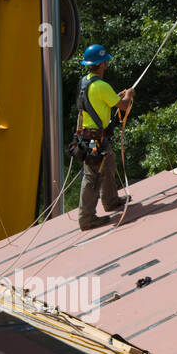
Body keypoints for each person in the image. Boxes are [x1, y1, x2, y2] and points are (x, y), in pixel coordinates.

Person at [75, 43, 134, 230]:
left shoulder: (85, 82)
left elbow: (99, 104)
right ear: (102, 64)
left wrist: (116, 97)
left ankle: (110, 200)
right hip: (95, 139)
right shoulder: (101, 85)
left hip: (89, 136)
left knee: (108, 165)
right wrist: (130, 94)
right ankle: (86, 218)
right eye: (106, 61)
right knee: (92, 176)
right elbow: (124, 106)